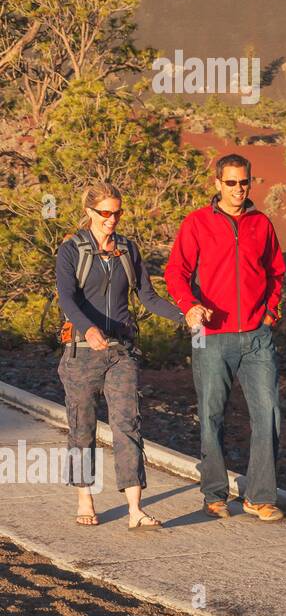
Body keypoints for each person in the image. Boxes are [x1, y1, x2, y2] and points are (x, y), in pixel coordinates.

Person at [55, 182, 189, 530]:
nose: (112, 219)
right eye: (105, 213)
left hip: (121, 352)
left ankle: (135, 509)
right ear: (89, 212)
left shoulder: (127, 250)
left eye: (117, 213)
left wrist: (183, 314)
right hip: (82, 354)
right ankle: (85, 497)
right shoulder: (71, 250)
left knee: (127, 426)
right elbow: (67, 298)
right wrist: (87, 328)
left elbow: (147, 297)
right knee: (81, 428)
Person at [165, 154, 286, 521]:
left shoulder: (261, 224)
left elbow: (276, 273)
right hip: (209, 335)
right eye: (231, 182)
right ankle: (214, 494)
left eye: (244, 182)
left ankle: (259, 497)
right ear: (217, 183)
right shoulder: (197, 223)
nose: (238, 189)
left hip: (256, 335)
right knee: (211, 414)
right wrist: (189, 305)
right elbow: (175, 272)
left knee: (268, 414)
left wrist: (270, 312)